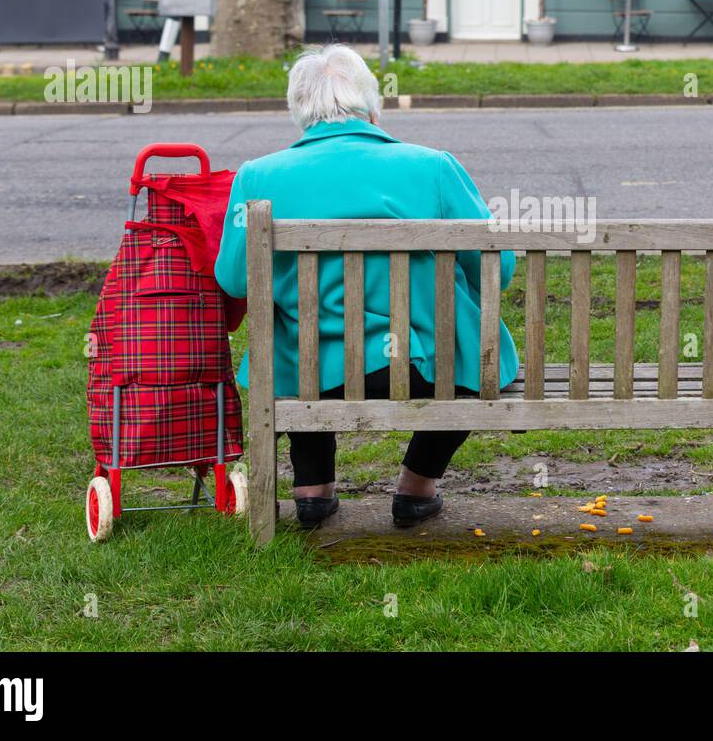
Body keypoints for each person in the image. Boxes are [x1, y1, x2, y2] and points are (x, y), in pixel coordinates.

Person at [215, 45, 518, 529]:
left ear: (299, 110)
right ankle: (416, 487)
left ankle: (313, 490)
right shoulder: (433, 166)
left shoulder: (259, 176)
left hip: (313, 371)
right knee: (472, 360)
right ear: (371, 105)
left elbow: (232, 279)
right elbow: (495, 271)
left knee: (298, 345)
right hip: (423, 366)